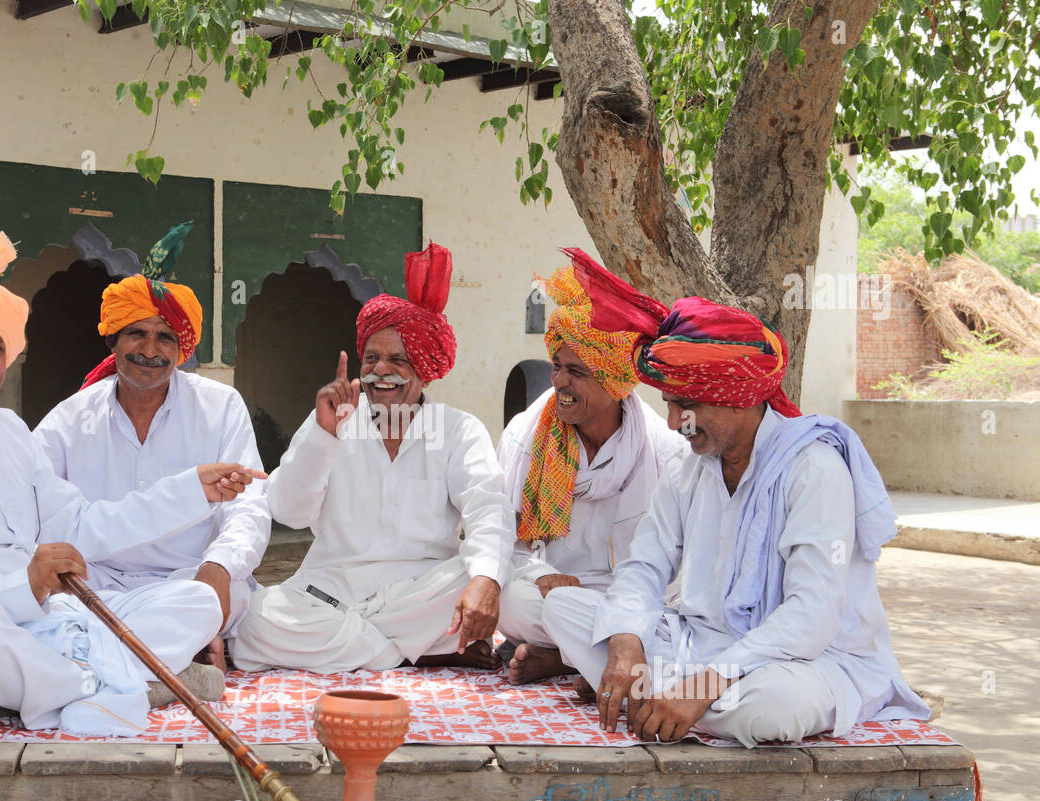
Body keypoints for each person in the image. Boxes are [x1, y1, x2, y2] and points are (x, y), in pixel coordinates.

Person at [0, 232, 263, 736]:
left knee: (192, 600)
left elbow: (81, 524)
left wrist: (192, 490)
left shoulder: (11, 432)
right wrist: (20, 588)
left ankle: (15, 695)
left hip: (42, 621)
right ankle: (116, 687)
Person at [542, 248, 930, 747]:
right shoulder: (688, 466)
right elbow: (644, 567)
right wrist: (624, 643)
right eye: (669, 404)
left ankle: (667, 700)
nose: (672, 423)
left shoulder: (813, 469)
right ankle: (664, 695)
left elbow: (811, 618)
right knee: (564, 609)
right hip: (697, 645)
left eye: (688, 404)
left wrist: (702, 684)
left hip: (802, 661)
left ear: (741, 396)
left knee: (774, 710)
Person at [231, 243, 514, 672]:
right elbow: (287, 510)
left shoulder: (460, 430)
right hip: (328, 592)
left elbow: (488, 509)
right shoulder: (332, 421)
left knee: (491, 578)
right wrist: (324, 437)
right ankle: (405, 652)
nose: (381, 371)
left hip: (420, 593)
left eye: (398, 360)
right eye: (373, 358)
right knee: (251, 618)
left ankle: (365, 645)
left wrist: (486, 579)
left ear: (424, 368)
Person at [34, 222, 269, 674]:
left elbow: (249, 509)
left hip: (188, 578)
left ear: (182, 349)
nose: (149, 349)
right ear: (114, 340)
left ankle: (86, 670)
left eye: (165, 337)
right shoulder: (69, 419)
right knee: (49, 603)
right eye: (136, 334)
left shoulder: (219, 407)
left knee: (220, 599)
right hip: (96, 580)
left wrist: (218, 567)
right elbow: (40, 513)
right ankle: (161, 671)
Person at [496, 265, 685, 684]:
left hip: (629, 596)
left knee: (667, 615)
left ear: (614, 382)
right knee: (510, 602)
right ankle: (588, 657)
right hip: (547, 593)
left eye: (576, 372)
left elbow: (676, 563)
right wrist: (541, 575)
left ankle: (564, 660)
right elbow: (502, 539)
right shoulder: (526, 436)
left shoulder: (664, 450)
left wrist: (625, 602)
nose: (558, 381)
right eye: (557, 365)